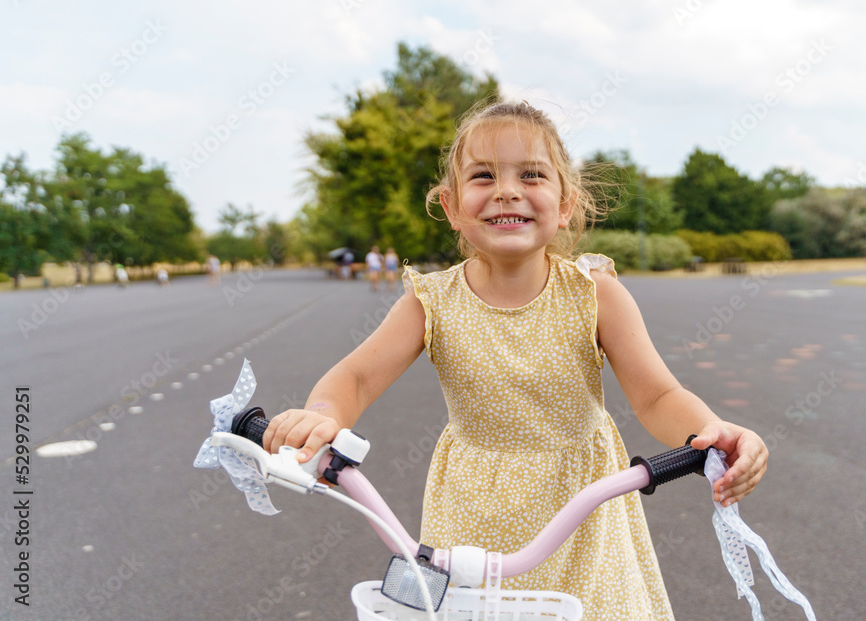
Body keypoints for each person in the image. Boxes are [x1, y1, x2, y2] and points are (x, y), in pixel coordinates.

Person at [263, 100, 768, 619]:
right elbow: (357, 376)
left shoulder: (595, 294)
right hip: (471, 503)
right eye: (483, 176)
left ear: (566, 202)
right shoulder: (430, 301)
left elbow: (658, 395)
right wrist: (323, 415)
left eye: (530, 174)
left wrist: (712, 429)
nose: (506, 189)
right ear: (453, 205)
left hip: (583, 506)